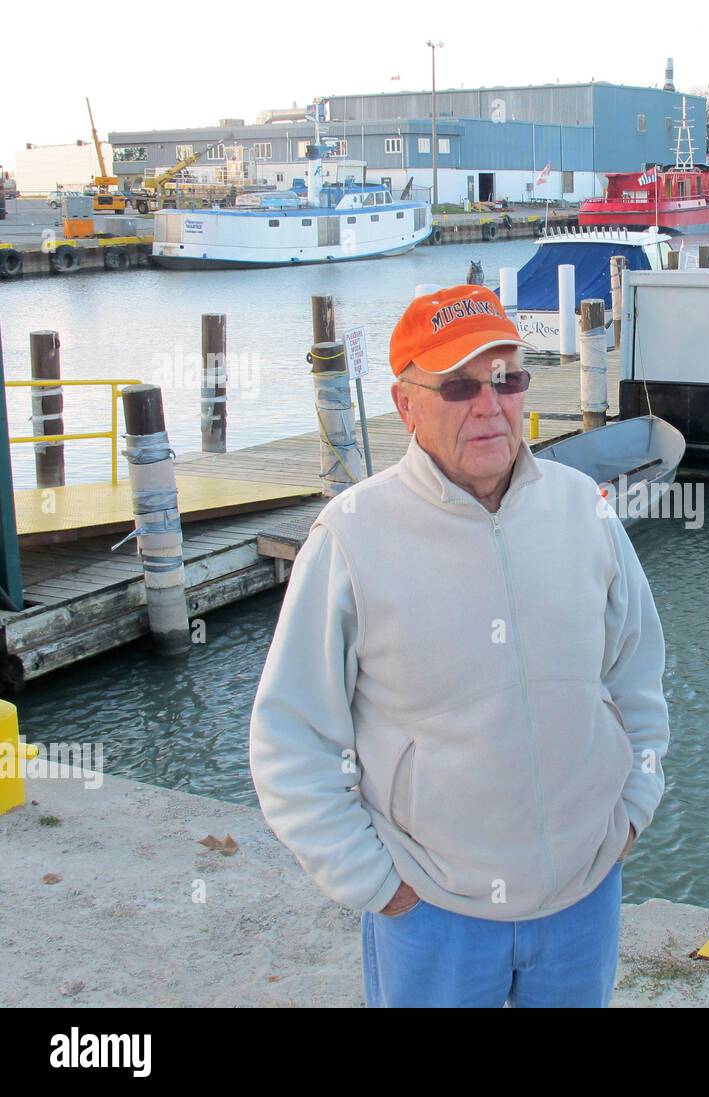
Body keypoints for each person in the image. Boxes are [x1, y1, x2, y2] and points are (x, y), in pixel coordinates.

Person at [249, 284, 670, 1007]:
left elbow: (638, 675)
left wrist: (633, 808)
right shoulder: (351, 539)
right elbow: (291, 741)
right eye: (459, 384)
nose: (490, 402)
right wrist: (378, 884)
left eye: (507, 378)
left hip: (584, 898)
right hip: (434, 914)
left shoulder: (584, 509)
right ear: (405, 403)